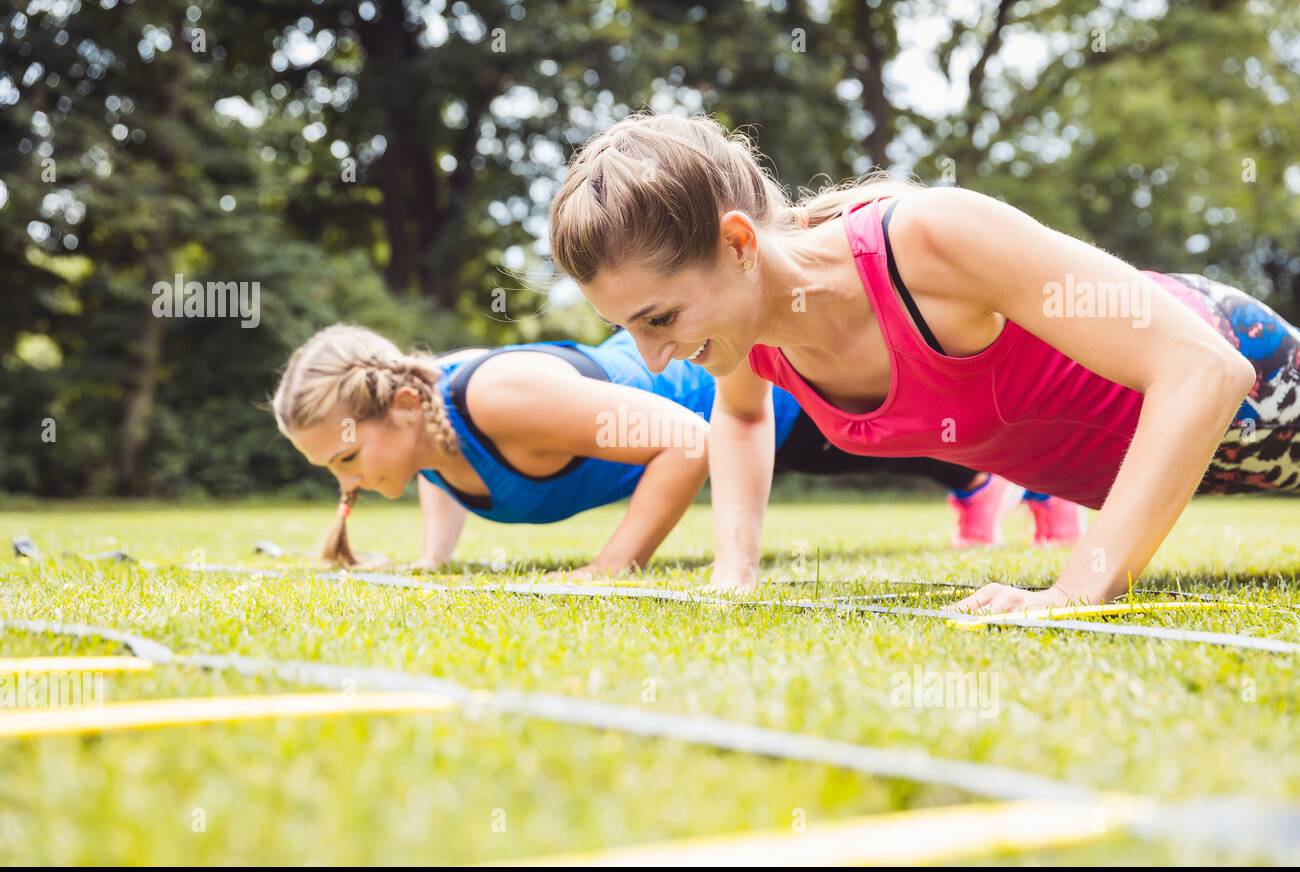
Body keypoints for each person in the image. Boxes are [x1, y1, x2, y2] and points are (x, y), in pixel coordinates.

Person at [547, 113, 1295, 612]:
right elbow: (741, 419)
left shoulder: (930, 239)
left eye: (660, 318)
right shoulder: (750, 332)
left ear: (739, 245)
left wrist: (1075, 589)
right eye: (628, 328)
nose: (650, 358)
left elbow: (1207, 371)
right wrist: (733, 572)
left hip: (1254, 383)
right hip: (1191, 461)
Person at [270, 326, 1082, 575]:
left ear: (406, 406)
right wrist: (434, 560)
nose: (344, 480)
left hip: (731, 391)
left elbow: (693, 443)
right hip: (703, 401)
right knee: (884, 447)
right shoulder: (428, 438)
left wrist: (612, 564)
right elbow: (445, 474)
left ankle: (1025, 470)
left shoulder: (498, 397)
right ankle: (977, 477)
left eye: (343, 458)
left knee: (891, 430)